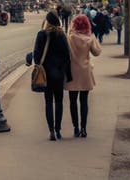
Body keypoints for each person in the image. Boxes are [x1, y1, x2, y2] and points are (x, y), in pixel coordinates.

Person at [33, 10, 72, 141]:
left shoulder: (41, 35)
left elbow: (36, 56)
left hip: (46, 74)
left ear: (47, 22)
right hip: (59, 73)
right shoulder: (61, 35)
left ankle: (51, 131)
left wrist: (39, 65)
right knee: (59, 101)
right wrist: (66, 72)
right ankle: (58, 129)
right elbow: (67, 56)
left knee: (48, 102)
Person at [66, 13, 101, 138]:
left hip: (73, 72)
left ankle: (75, 127)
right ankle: (84, 128)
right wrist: (92, 36)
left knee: (72, 101)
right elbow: (97, 52)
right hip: (85, 72)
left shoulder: (70, 37)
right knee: (84, 101)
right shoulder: (89, 38)